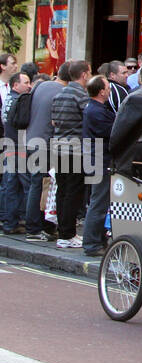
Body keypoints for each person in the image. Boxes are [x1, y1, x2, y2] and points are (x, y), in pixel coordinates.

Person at [50, 59, 92, 249]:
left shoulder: (59, 95)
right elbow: (88, 120)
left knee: (62, 190)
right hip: (75, 149)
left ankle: (63, 232)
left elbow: (53, 122)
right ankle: (68, 235)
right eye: (89, 73)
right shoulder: (82, 96)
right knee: (73, 193)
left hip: (58, 147)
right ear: (83, 75)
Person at [24, 63, 64, 240]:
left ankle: (37, 226)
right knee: (42, 185)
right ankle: (34, 228)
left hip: (32, 140)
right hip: (45, 143)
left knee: (37, 184)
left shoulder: (41, 85)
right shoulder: (61, 91)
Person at [80, 76, 115, 258]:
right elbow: (112, 132)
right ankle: (92, 243)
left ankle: (97, 240)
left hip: (96, 158)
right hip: (99, 160)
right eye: (108, 87)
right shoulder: (96, 111)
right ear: (101, 91)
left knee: (99, 202)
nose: (110, 90)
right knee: (98, 203)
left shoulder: (95, 108)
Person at [1, 70, 33, 234]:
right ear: (15, 85)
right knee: (23, 185)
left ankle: (9, 222)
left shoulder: (8, 98)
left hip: (9, 146)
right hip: (18, 148)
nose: (29, 86)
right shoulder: (20, 100)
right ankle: (22, 221)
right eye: (26, 82)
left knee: (10, 186)